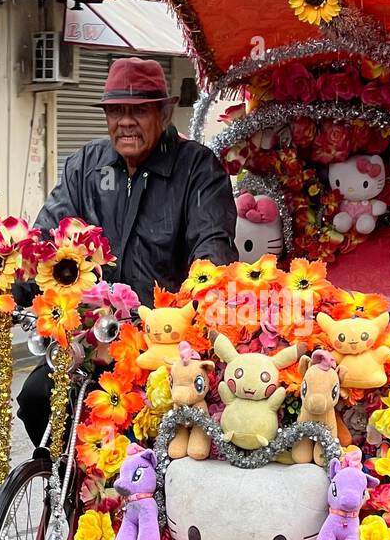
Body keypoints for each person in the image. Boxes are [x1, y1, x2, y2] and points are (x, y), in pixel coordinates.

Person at [15, 56, 238, 448]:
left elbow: (212, 254)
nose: (125, 122)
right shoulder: (85, 166)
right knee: (38, 398)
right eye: (116, 111)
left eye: (139, 111)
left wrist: (191, 309)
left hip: (161, 346)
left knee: (148, 437)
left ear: (164, 113)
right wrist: (16, 278)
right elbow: (45, 238)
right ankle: (67, 493)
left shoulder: (197, 169)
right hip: (90, 342)